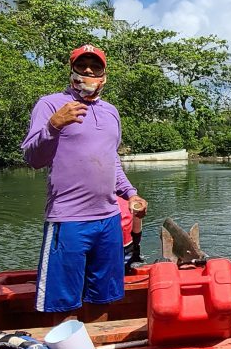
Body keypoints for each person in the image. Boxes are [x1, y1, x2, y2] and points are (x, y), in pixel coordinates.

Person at [22, 44, 147, 316]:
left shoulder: (111, 112)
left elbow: (111, 159)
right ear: (72, 69)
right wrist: (53, 126)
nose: (88, 71)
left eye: (95, 67)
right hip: (68, 219)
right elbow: (32, 158)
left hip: (109, 220)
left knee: (103, 300)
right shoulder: (51, 105)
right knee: (63, 304)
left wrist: (130, 193)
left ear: (104, 74)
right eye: (82, 66)